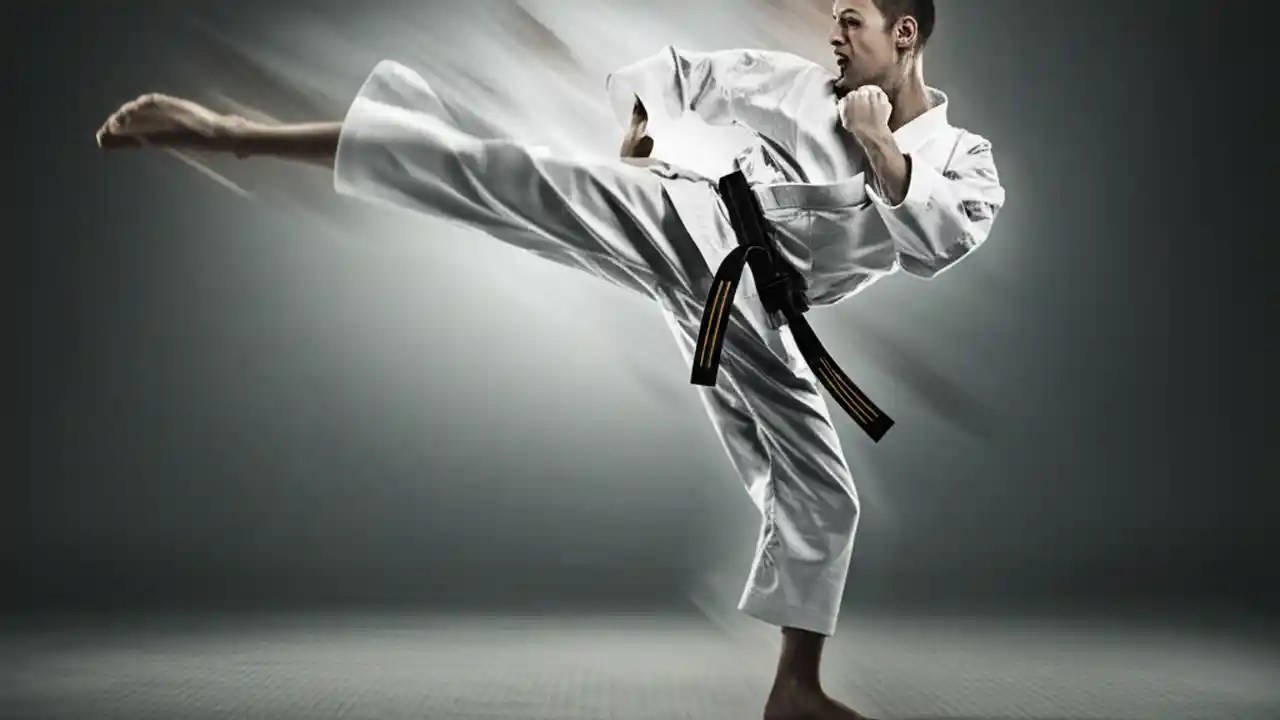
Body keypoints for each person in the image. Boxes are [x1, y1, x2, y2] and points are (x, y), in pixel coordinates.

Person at [95, 1, 1004, 717]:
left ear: (905, 34)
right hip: (688, 222)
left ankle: (793, 692)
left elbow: (936, 243)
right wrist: (642, 129)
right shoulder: (800, 86)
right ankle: (231, 131)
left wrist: (879, 143)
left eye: (851, 20)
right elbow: (681, 77)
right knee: (501, 172)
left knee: (826, 493)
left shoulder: (964, 159)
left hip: (759, 312)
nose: (833, 35)